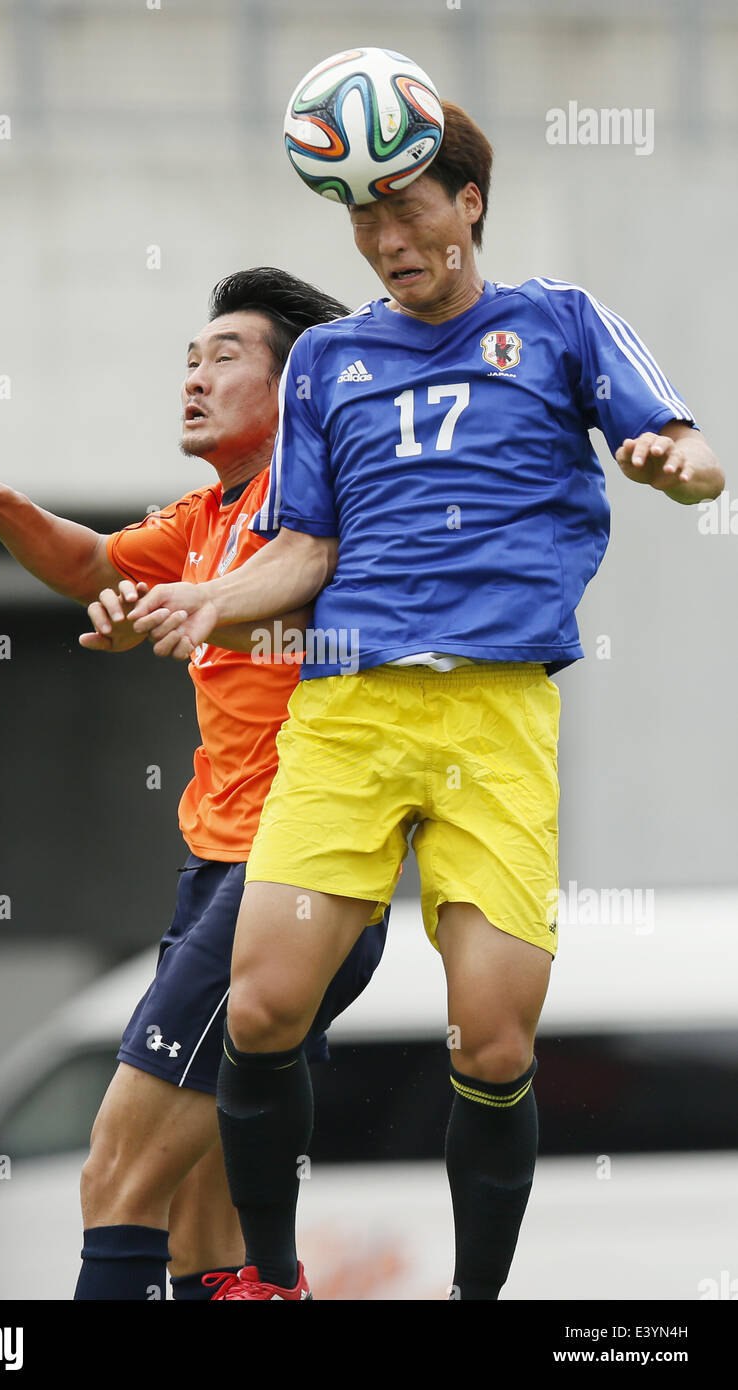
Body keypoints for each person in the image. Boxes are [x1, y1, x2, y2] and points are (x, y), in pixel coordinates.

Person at [128, 101, 724, 1300]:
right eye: (363, 219)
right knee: (259, 1008)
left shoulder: (558, 321)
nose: (386, 239)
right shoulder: (327, 362)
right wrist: (213, 598)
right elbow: (304, 548)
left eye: (405, 209)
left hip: (494, 718)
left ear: (469, 203)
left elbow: (692, 452)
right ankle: (269, 1278)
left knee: (493, 1042)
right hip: (347, 713)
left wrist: (674, 467)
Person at [0, 267, 388, 1302]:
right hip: (219, 869)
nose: (193, 379)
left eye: (224, 358)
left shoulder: (329, 503)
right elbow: (93, 566)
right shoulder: (209, 513)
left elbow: (335, 630)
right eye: (188, 361)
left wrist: (207, 606)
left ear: (296, 385)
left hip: (294, 867)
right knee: (199, 1226)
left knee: (116, 1169)